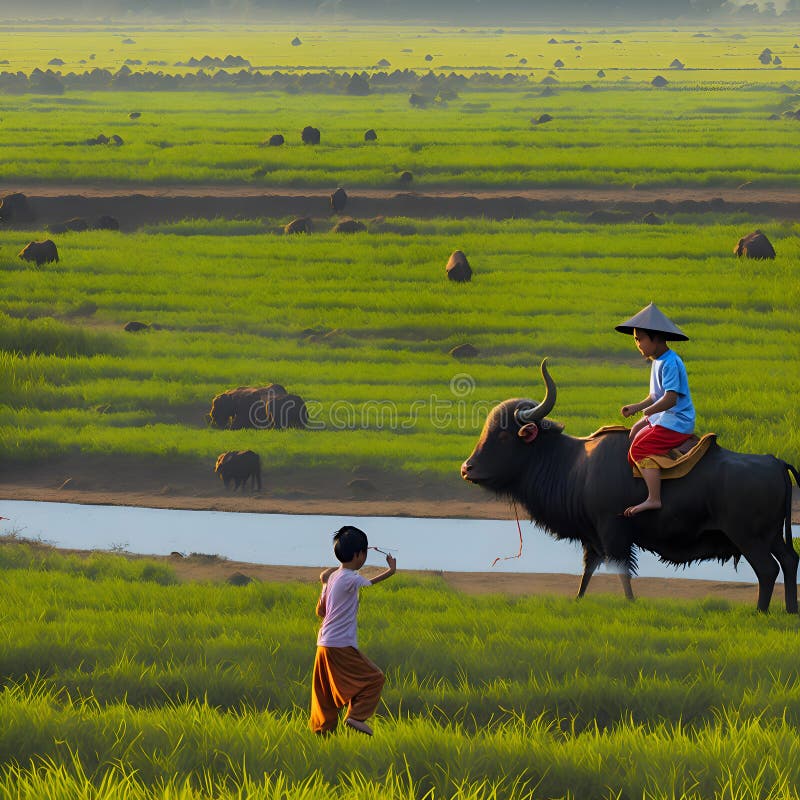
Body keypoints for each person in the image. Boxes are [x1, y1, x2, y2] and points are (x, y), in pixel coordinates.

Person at [310, 525, 396, 736]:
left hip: (323, 644)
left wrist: (324, 582)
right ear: (358, 555)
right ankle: (356, 717)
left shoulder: (333, 579)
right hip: (340, 644)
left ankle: (322, 735)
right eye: (364, 552)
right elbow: (368, 583)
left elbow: (321, 612)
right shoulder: (350, 577)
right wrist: (391, 571)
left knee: (325, 694)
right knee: (375, 678)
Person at [615, 302, 696, 517]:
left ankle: (654, 498)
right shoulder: (657, 361)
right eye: (635, 340)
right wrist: (637, 408)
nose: (638, 344)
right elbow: (654, 396)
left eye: (640, 339)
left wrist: (648, 412)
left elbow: (670, 399)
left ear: (657, 338)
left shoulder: (671, 362)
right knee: (633, 433)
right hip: (664, 416)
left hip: (677, 420)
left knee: (639, 449)